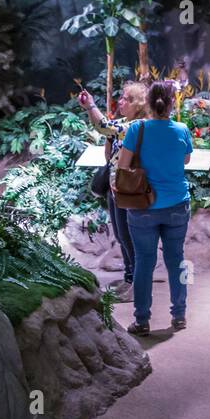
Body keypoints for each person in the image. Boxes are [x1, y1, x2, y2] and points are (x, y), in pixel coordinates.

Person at [115, 80, 193, 336]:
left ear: (148, 103)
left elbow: (123, 165)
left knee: (143, 263)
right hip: (177, 206)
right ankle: (179, 315)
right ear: (172, 103)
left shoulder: (137, 130)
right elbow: (185, 159)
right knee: (178, 261)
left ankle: (141, 320)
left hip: (143, 206)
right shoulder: (182, 130)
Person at [78, 81, 149, 299]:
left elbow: (105, 127)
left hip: (131, 189)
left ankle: (138, 283)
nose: (121, 101)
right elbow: (108, 149)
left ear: (138, 104)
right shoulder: (121, 123)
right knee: (121, 235)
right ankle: (129, 278)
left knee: (131, 237)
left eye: (126, 98)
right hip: (115, 187)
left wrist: (90, 106)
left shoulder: (139, 125)